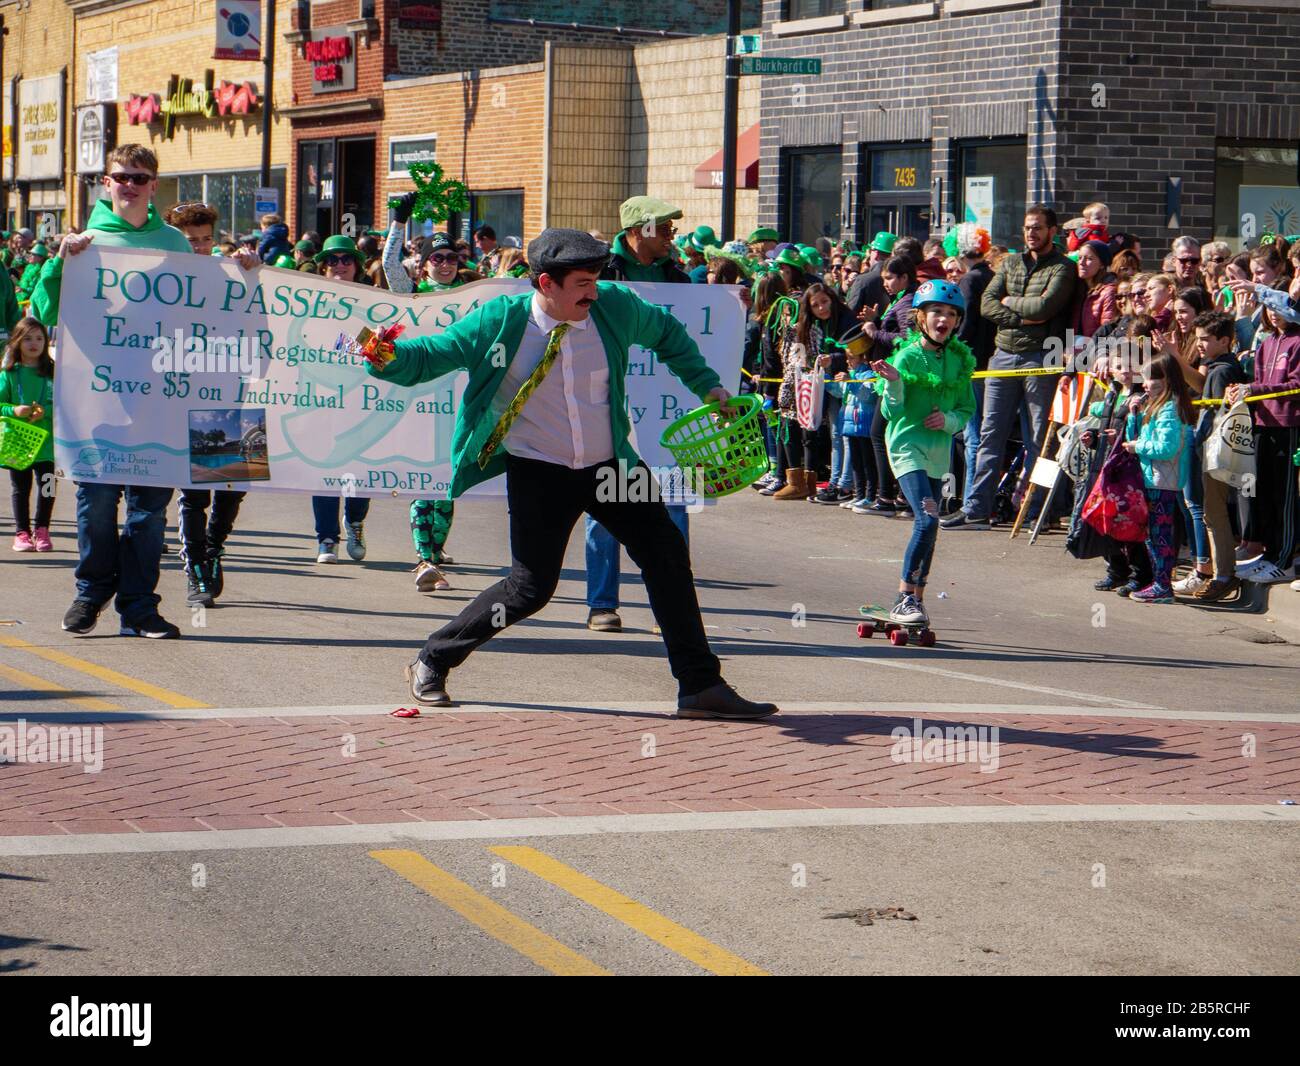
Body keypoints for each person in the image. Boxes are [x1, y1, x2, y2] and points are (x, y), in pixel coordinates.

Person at [368, 227, 776, 719]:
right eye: (583, 282)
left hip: (611, 468)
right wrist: (384, 357)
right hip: (539, 470)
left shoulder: (616, 308)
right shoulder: (499, 321)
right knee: (530, 589)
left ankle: (700, 685)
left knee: (668, 559)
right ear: (546, 283)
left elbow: (668, 336)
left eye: (597, 278)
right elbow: (434, 355)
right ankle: (433, 657)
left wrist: (707, 386)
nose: (594, 290)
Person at [33, 145, 192, 638]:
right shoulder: (85, 242)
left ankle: (139, 607)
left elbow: (204, 313)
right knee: (97, 506)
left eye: (139, 177)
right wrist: (60, 264)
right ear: (106, 182)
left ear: (154, 186)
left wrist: (245, 274)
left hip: (158, 402)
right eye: (121, 176)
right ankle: (92, 591)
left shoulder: (176, 244)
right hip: (97, 399)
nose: (130, 184)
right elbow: (41, 310)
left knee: (148, 515)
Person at [943, 207, 1078, 530]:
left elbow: (1046, 307)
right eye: (1028, 227)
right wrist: (1022, 314)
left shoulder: (1064, 267)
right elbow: (987, 304)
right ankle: (976, 508)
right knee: (990, 434)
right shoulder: (1011, 263)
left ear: (1052, 230)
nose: (1031, 233)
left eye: (1038, 228)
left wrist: (1010, 302)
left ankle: (1037, 511)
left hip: (1041, 357)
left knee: (1038, 440)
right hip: (1003, 354)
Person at [164, 200, 254, 607]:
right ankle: (196, 567)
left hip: (232, 393)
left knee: (234, 484)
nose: (199, 248)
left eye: (204, 240)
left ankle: (215, 549)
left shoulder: (229, 272)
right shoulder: (160, 274)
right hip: (186, 396)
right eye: (190, 241)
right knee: (195, 492)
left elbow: (260, 314)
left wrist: (251, 273)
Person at [869, 280, 975, 623]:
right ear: (920, 318)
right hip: (906, 446)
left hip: (938, 453)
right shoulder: (908, 355)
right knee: (927, 518)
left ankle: (917, 598)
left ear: (957, 321)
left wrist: (947, 420)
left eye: (950, 314)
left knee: (932, 526)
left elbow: (966, 410)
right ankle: (904, 597)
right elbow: (891, 412)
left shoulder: (960, 360)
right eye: (936, 312)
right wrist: (896, 383)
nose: (943, 319)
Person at [1229, 287, 1300, 585]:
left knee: (1284, 496)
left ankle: (1285, 559)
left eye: (1278, 307)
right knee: (1267, 492)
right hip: (1264, 424)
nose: (1273, 313)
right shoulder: (1267, 342)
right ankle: (1271, 555)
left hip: (1288, 426)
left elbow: (1295, 384)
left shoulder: (1297, 341)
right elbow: (1257, 381)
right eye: (1268, 308)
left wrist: (1254, 391)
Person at [1175, 310, 1247, 600]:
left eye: (1205, 339)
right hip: (1211, 448)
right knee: (1209, 512)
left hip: (1216, 450)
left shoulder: (1222, 371)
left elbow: (1220, 416)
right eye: (1197, 338)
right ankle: (1221, 572)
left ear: (1225, 341)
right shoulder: (1216, 367)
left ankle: (1224, 575)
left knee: (1214, 513)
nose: (1200, 344)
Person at [309, 234, 372, 564]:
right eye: (332, 260)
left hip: (361, 399)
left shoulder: (371, 302)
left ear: (357, 266)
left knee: (358, 470)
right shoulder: (308, 302)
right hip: (321, 397)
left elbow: (377, 345)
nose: (339, 265)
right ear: (322, 266)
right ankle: (327, 538)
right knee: (324, 467)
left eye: (346, 259)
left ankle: (356, 521)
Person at [1121, 352, 1194, 603]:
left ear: (1167, 379)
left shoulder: (1170, 408)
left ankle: (1163, 586)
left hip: (1164, 480)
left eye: (1150, 379)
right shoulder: (1158, 405)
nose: (1144, 385)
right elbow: (1138, 437)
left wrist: (1138, 447)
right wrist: (1134, 416)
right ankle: (1160, 582)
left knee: (1160, 534)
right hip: (1155, 478)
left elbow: (1167, 448)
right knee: (1153, 534)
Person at [1, 318, 55, 552]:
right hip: (18, 442)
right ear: (17, 342)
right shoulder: (10, 373)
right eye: (28, 338)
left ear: (46, 341)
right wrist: (14, 410)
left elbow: (66, 404)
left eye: (39, 338)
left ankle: (42, 529)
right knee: (20, 488)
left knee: (48, 487)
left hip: (48, 444)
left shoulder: (53, 371)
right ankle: (22, 532)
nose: (34, 343)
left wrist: (46, 411)